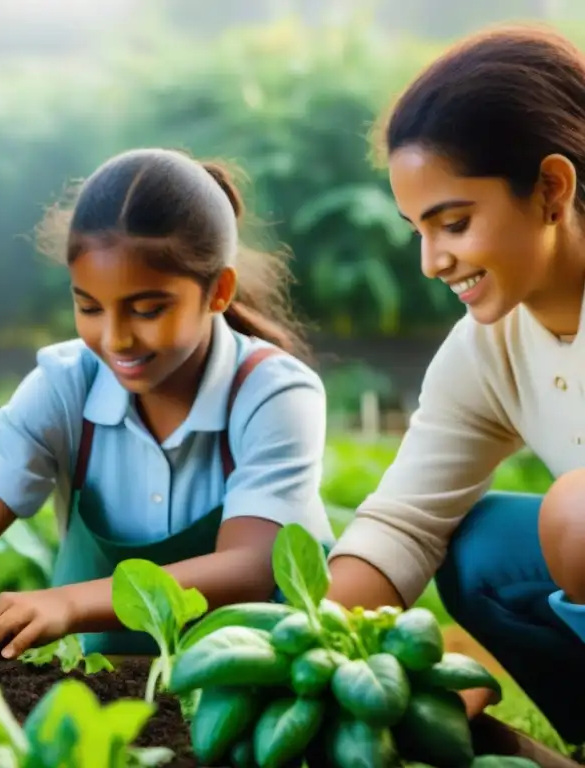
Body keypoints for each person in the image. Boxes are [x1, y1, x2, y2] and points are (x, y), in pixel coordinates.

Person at [0, 147, 335, 663]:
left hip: (252, 682)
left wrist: (69, 603)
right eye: (89, 306)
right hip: (95, 683)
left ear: (218, 292)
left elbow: (249, 565)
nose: (116, 338)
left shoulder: (272, 393)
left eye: (147, 309)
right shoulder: (66, 384)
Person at [325, 24, 585, 744]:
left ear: (550, 190)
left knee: (577, 518)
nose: (432, 261)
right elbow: (405, 519)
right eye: (418, 230)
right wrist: (315, 648)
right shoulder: (489, 346)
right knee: (479, 550)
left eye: (454, 223)